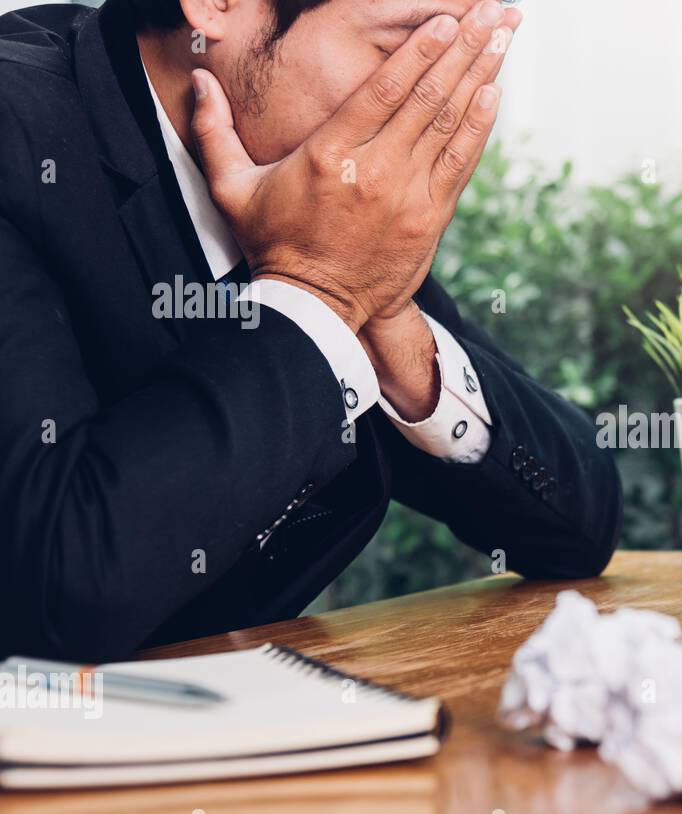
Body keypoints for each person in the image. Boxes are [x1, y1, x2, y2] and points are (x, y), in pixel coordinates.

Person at [0, 0, 623, 659]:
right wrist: (318, 291)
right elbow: (51, 593)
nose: (433, 111)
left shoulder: (316, 189)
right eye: (405, 52)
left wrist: (387, 326)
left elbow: (581, 526)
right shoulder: (20, 134)